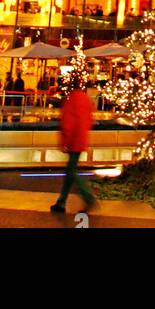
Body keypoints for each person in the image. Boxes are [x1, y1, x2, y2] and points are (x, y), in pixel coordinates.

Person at [50, 82, 97, 215]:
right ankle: (61, 202)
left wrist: (65, 141)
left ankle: (88, 197)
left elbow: (67, 123)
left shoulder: (71, 101)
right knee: (70, 172)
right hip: (81, 139)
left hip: (73, 141)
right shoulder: (86, 99)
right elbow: (89, 118)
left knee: (72, 172)